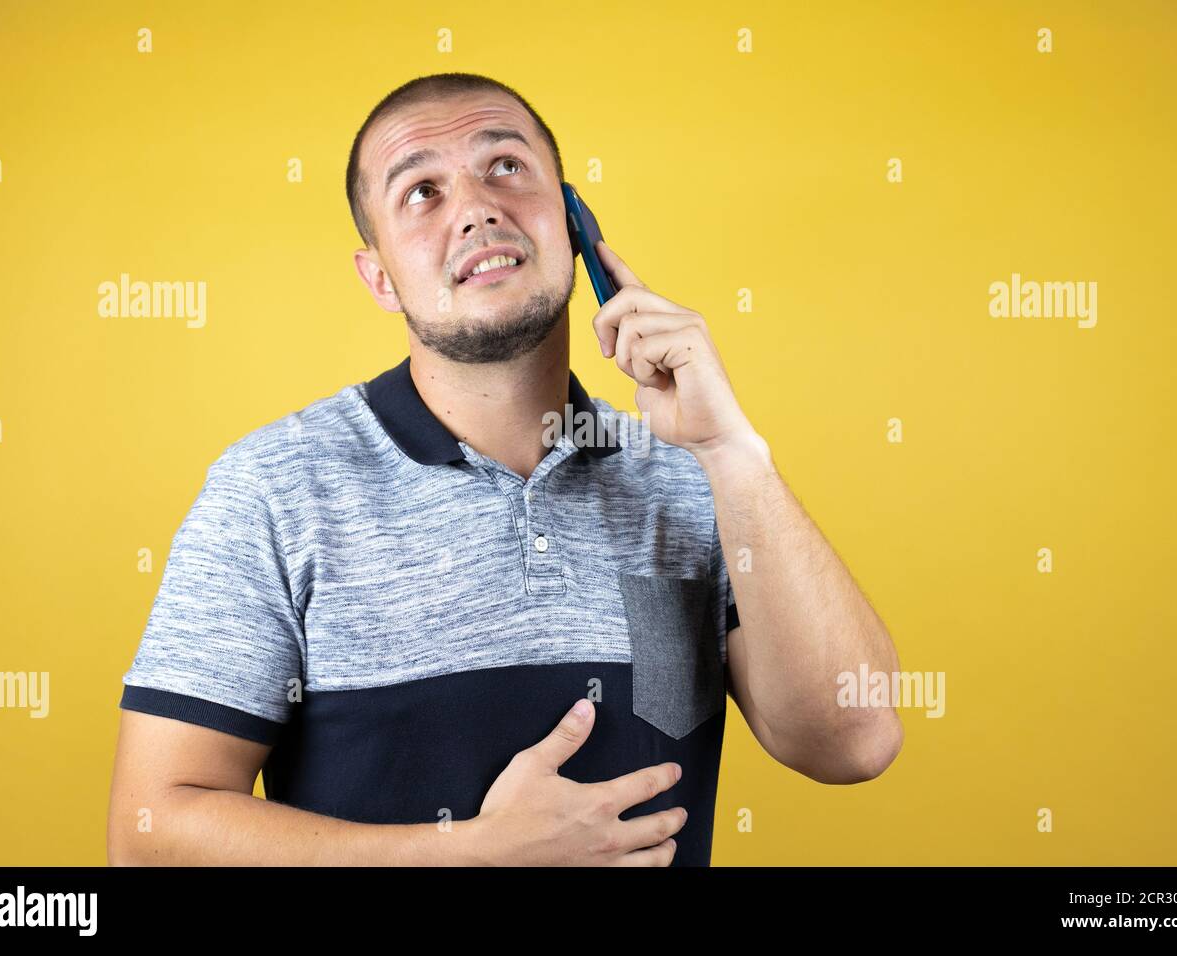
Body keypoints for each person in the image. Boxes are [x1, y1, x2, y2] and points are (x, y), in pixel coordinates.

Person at [107, 72, 903, 867]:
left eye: (506, 168)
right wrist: (469, 854)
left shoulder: (696, 480)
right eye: (421, 192)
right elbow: (150, 835)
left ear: (574, 220)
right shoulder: (275, 488)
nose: (477, 207)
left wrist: (733, 452)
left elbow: (856, 741)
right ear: (379, 276)